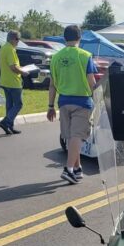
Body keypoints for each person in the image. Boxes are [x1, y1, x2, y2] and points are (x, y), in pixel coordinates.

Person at [47, 24, 98, 184]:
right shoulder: (84, 55)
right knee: (78, 135)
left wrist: (50, 106)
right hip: (82, 101)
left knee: (69, 136)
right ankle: (68, 169)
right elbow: (92, 81)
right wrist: (98, 99)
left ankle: (77, 169)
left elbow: (52, 84)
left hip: (63, 101)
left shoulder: (56, 57)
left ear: (64, 38)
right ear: (80, 38)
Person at [0, 30, 24, 135]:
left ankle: (9, 126)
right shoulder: (10, 49)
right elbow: (13, 67)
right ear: (13, 39)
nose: (18, 41)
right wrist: (24, 72)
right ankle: (6, 122)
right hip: (13, 82)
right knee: (18, 104)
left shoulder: (3, 48)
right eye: (17, 39)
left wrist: (20, 68)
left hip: (5, 80)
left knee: (9, 105)